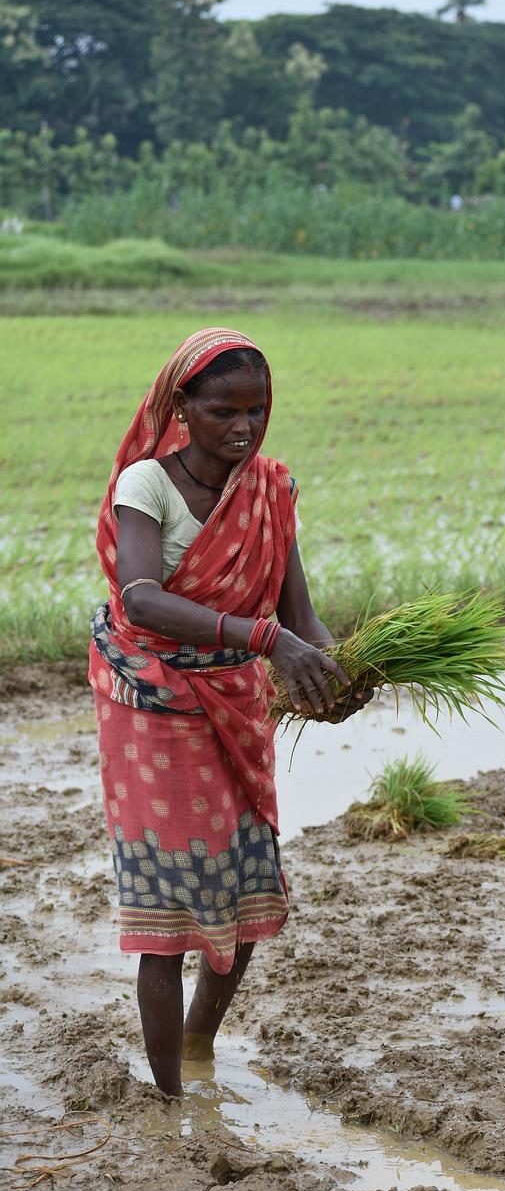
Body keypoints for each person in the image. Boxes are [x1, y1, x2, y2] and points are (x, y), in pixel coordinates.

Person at [89, 327, 372, 1096]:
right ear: (182, 405)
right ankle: (170, 1095)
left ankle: (197, 1045)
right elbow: (141, 598)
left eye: (256, 409)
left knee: (248, 895)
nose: (243, 428)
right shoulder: (145, 485)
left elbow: (298, 612)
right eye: (223, 411)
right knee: (171, 914)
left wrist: (337, 667)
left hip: (236, 704)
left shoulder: (269, 490)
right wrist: (266, 640)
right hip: (154, 701)